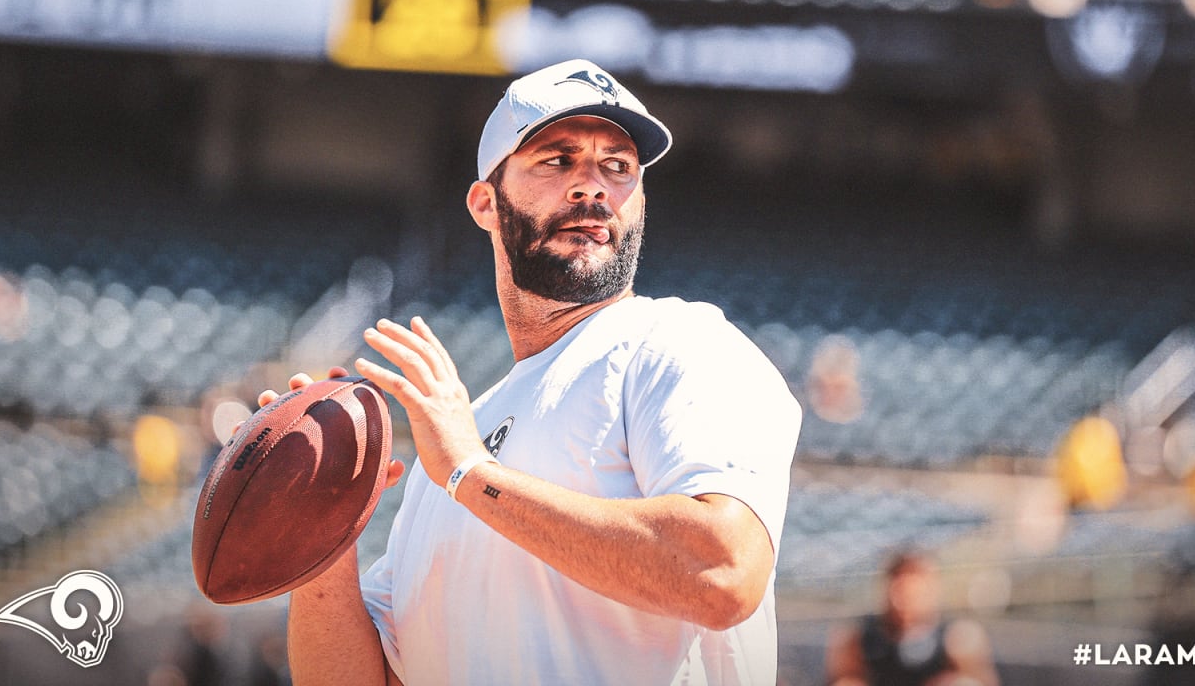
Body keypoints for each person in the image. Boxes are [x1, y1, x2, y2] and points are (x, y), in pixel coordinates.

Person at [258, 59, 801, 685]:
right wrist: (326, 543)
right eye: (557, 159)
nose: (591, 187)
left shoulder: (681, 343)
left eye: (618, 166)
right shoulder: (457, 445)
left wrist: (473, 474)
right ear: (486, 203)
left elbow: (723, 574)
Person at [824, 550, 999, 686]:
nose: (906, 599)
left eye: (915, 591)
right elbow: (843, 679)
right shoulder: (856, 637)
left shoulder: (958, 638)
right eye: (900, 589)